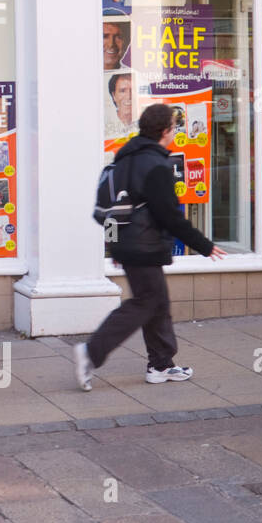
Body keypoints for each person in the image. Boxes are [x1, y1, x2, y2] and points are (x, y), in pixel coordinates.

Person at [75, 104, 225, 392]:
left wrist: (115, 246)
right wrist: (204, 246)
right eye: (174, 126)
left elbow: (111, 206)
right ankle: (91, 353)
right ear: (165, 131)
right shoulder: (155, 165)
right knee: (146, 303)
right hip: (143, 245)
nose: (175, 131)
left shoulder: (125, 158)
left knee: (157, 303)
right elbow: (168, 215)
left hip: (130, 243)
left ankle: (161, 365)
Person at [104, 72, 134, 136]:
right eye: (122, 91)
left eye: (133, 90)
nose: (128, 96)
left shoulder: (145, 123)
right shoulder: (104, 126)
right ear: (114, 95)